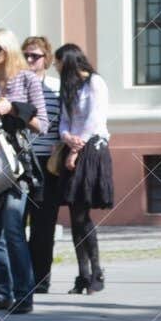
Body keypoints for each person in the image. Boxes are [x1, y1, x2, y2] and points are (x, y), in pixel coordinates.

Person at [0, 29, 45, 314]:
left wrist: (13, 109)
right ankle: (3, 292)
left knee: (13, 229)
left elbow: (42, 124)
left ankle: (24, 294)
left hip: (17, 165)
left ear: (9, 48)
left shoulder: (27, 78)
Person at [54, 43, 112, 294]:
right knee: (75, 215)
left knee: (81, 214)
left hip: (91, 150)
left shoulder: (95, 83)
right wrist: (67, 138)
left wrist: (76, 150)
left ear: (68, 61)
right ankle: (83, 275)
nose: (55, 66)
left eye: (58, 62)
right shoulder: (69, 87)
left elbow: (94, 119)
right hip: (73, 148)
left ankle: (96, 272)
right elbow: (64, 120)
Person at [21, 36, 62, 293]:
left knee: (43, 225)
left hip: (47, 162)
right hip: (20, 161)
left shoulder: (57, 89)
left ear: (46, 59)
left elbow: (64, 123)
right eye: (25, 55)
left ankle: (40, 279)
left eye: (34, 56)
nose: (29, 60)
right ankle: (21, 277)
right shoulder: (16, 86)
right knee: (15, 223)